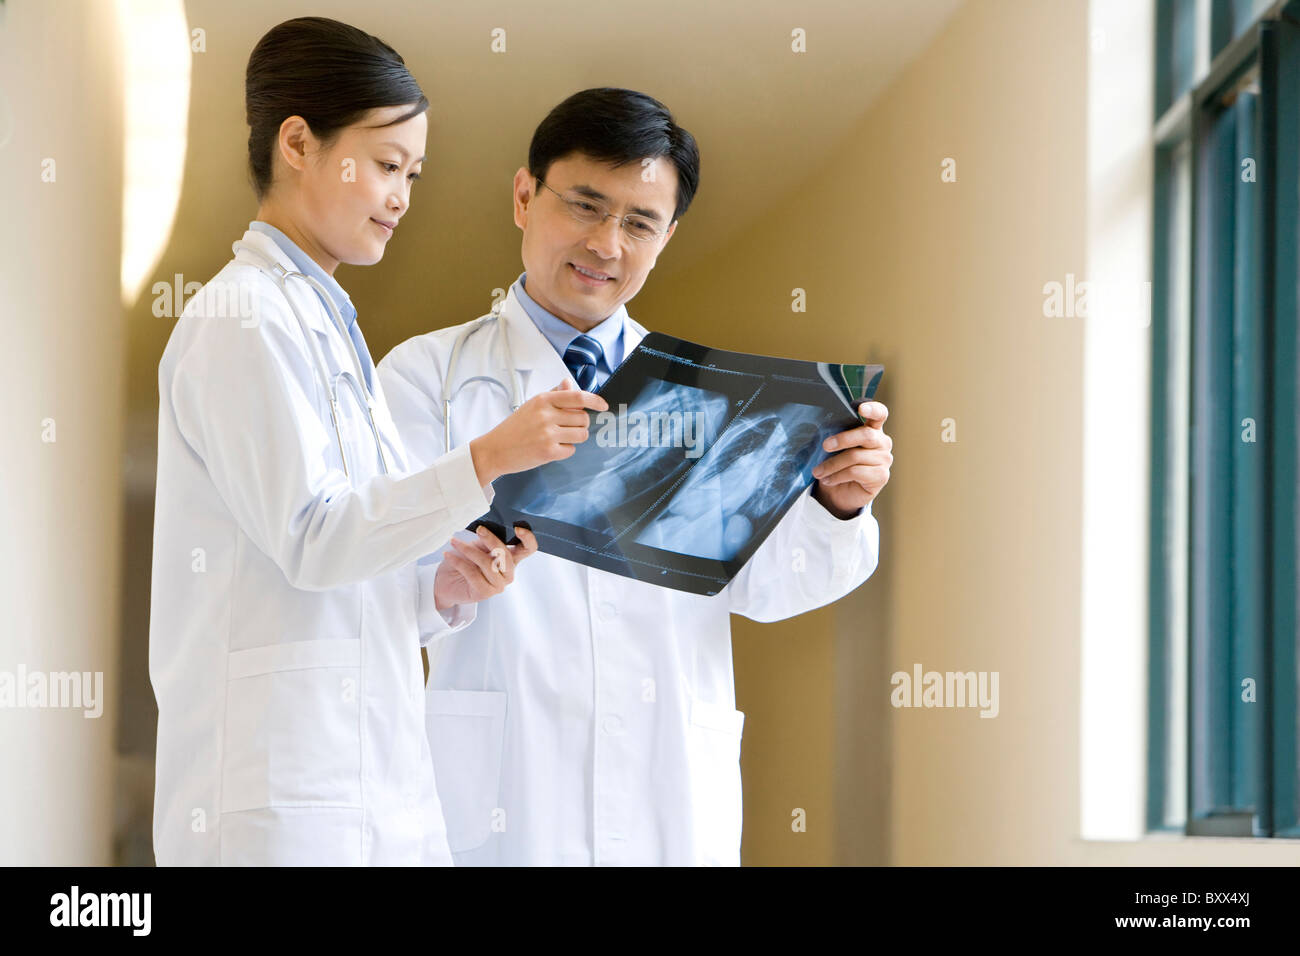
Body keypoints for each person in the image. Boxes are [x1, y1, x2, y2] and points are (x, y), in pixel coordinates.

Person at [377, 87, 892, 866]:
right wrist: (449, 584)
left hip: (668, 798)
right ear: (525, 196)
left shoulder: (708, 397)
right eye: (585, 205)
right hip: (501, 801)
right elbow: (370, 588)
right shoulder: (426, 378)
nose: (607, 244)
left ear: (667, 237)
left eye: (640, 222)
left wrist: (837, 504)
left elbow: (765, 588)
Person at [149, 18, 606, 866]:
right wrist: (487, 458)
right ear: (298, 142)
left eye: (414, 174)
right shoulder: (242, 317)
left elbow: (351, 565)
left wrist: (439, 586)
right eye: (387, 165)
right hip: (280, 807)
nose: (402, 196)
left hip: (370, 792)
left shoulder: (326, 327)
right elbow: (313, 539)